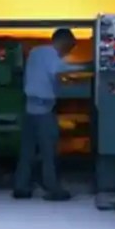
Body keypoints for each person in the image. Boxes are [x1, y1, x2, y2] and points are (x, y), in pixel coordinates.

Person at [14, 28, 87, 201]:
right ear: (64, 42)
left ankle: (21, 187)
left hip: (29, 107)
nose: (68, 52)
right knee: (49, 152)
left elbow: (44, 76)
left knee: (27, 151)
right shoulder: (51, 55)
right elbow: (60, 69)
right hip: (44, 108)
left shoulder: (35, 52)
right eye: (70, 47)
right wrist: (88, 65)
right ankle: (53, 188)